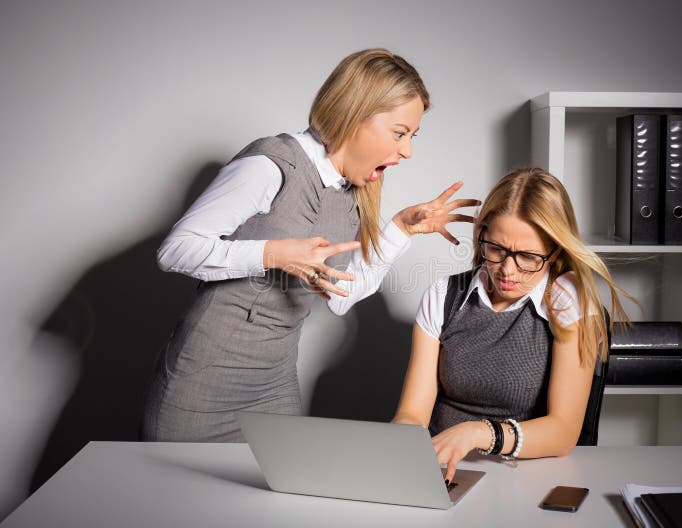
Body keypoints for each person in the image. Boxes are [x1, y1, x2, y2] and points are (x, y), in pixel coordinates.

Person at [141, 48, 479, 442]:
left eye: (411, 136)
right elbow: (175, 250)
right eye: (400, 133)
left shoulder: (351, 192)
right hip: (202, 381)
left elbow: (339, 298)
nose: (407, 151)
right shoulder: (272, 164)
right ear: (356, 114)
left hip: (273, 384)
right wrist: (272, 254)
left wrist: (400, 230)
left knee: (279, 482)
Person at [392, 167, 631, 482]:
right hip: (441, 471)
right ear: (482, 236)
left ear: (555, 250)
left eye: (528, 257)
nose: (507, 270)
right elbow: (412, 413)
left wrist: (478, 433)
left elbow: (563, 432)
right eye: (496, 249)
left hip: (523, 475)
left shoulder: (567, 300)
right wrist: (402, 447)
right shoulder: (443, 296)